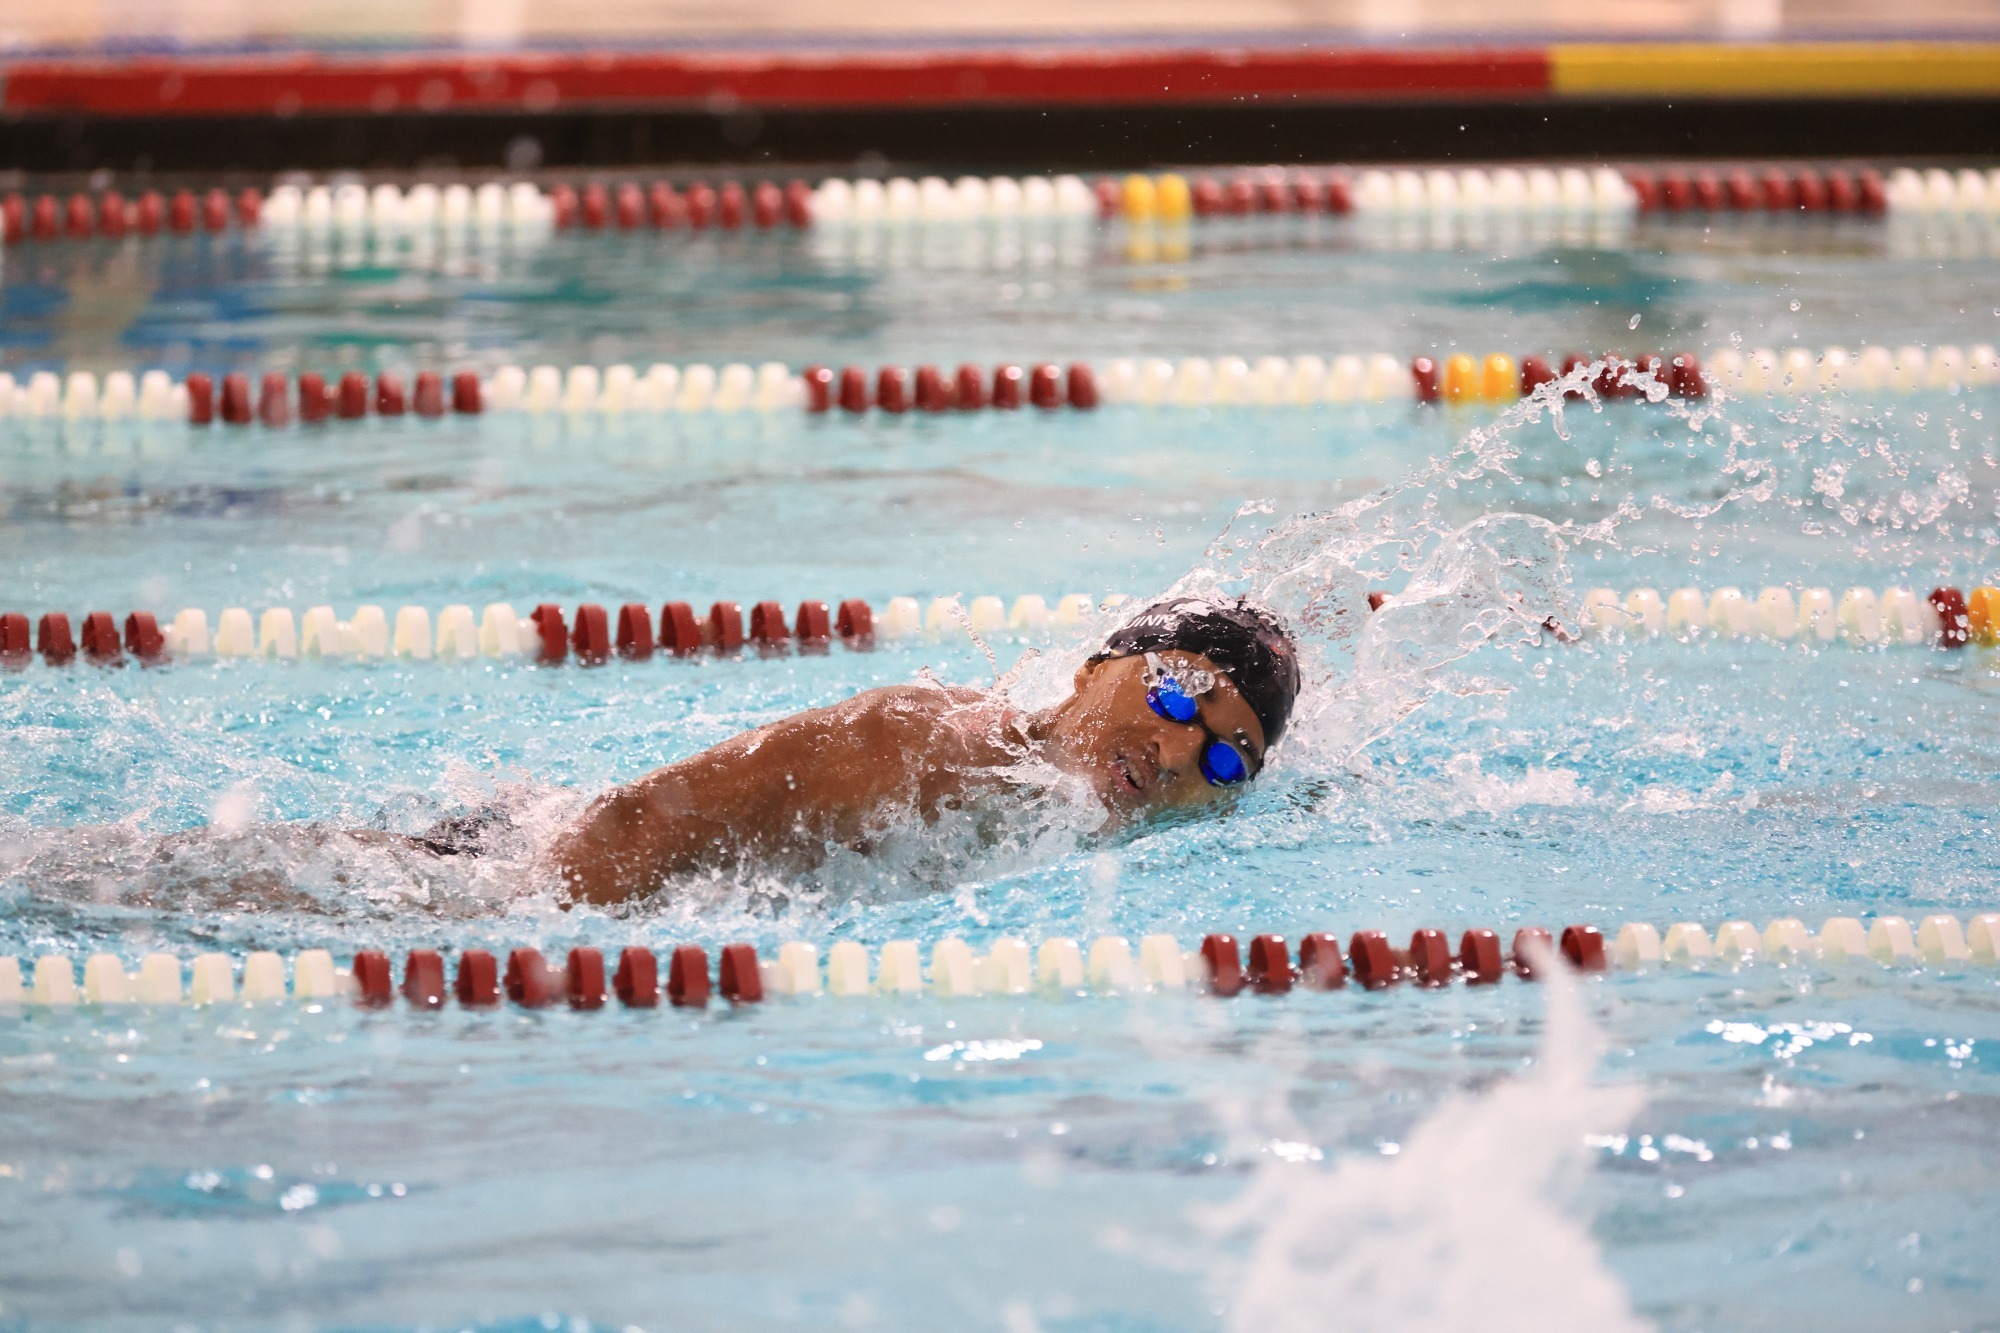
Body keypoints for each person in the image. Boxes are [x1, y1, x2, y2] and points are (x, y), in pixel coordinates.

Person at [523, 596, 1301, 905]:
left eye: (1224, 761)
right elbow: (633, 823)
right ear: (1093, 668)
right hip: (503, 868)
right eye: (1174, 693)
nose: (1174, 752)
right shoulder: (917, 746)